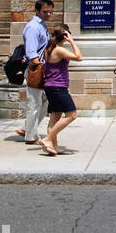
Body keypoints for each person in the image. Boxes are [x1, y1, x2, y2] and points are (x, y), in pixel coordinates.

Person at [39, 25, 82, 157]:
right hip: (57, 87)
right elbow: (78, 57)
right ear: (64, 36)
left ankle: (54, 146)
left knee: (55, 116)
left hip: (51, 86)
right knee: (72, 115)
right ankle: (48, 139)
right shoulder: (59, 50)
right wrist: (72, 41)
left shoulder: (48, 49)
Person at [16, 0, 54, 145]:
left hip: (41, 69)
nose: (48, 14)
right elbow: (32, 52)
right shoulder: (33, 27)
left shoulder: (41, 25)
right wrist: (39, 68)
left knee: (45, 101)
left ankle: (27, 128)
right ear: (37, 11)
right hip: (35, 69)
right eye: (45, 12)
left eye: (50, 12)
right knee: (34, 103)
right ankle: (31, 137)